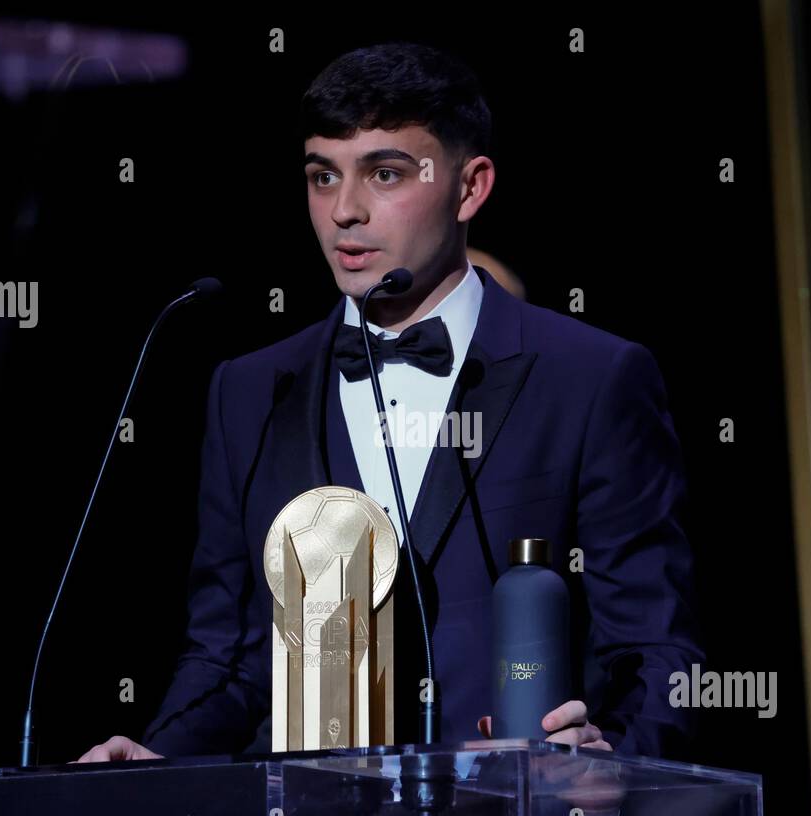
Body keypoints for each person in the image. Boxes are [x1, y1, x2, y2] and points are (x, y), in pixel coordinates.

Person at [75, 42, 702, 764]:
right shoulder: (246, 392)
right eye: (323, 176)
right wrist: (157, 761)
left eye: (385, 174)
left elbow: (654, 646)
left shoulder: (591, 377)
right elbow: (229, 658)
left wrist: (611, 761)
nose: (344, 211)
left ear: (469, 188)